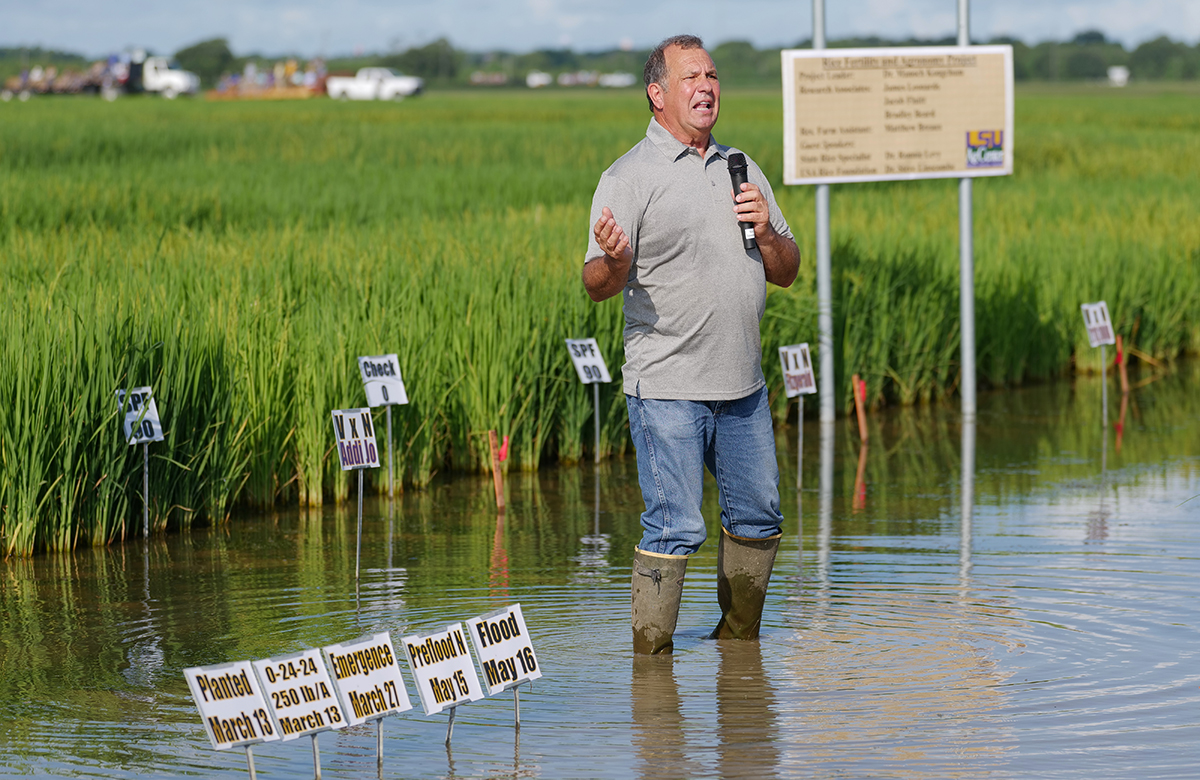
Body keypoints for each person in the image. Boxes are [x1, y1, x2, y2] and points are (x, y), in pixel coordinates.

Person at [583, 35, 801, 655]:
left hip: (744, 389)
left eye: (711, 74)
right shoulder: (627, 178)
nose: (706, 85)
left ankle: (738, 653)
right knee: (675, 526)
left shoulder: (742, 166)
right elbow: (597, 283)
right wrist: (618, 262)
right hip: (667, 389)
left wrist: (765, 229)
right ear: (657, 94)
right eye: (690, 77)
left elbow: (785, 268)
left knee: (759, 517)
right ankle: (651, 673)